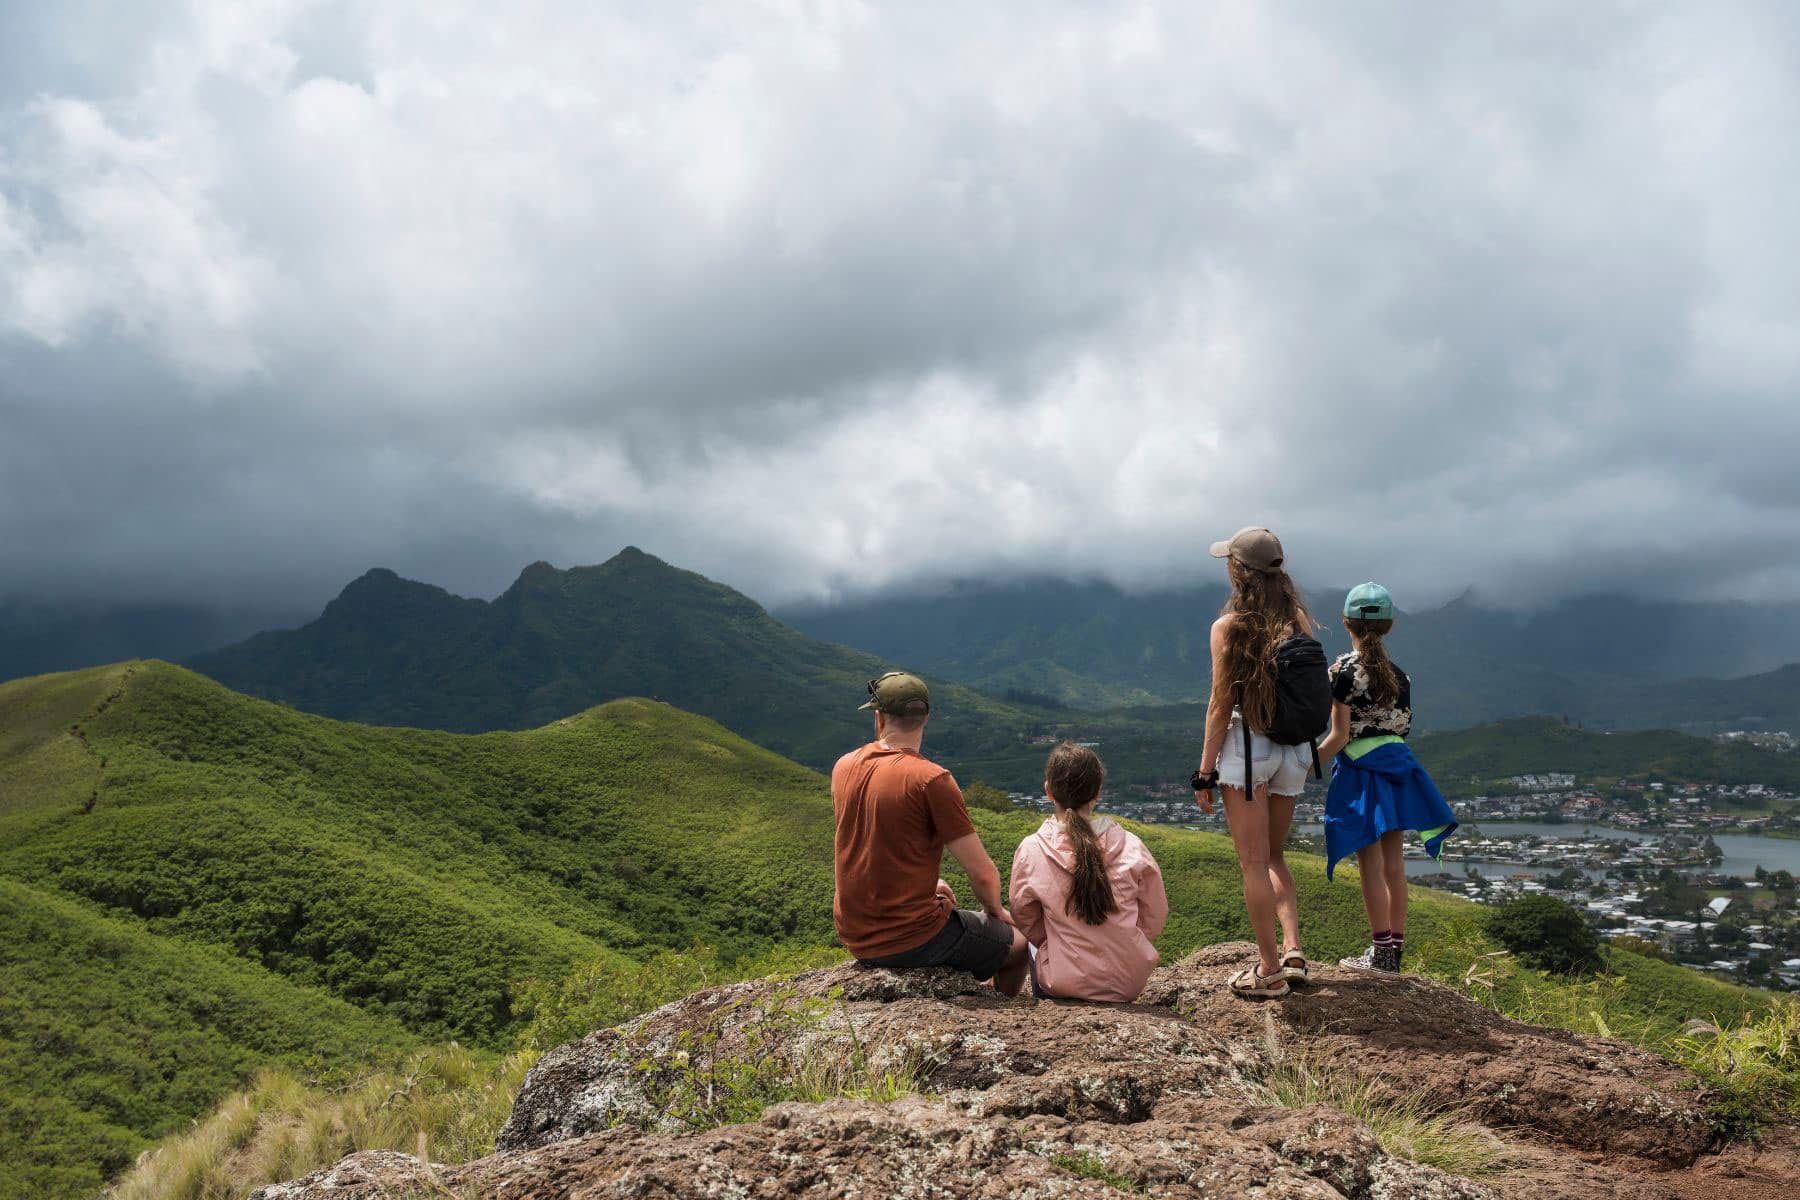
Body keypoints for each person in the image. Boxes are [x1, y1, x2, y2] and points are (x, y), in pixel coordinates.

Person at [832, 670, 1029, 995]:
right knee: (1020, 945)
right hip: (910, 938)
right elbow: (982, 873)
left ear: (879, 718)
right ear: (925, 718)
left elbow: (873, 847)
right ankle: (1001, 1012)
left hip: (854, 932)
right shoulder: (932, 780)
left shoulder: (843, 767)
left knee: (942, 890)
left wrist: (928, 888)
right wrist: (996, 914)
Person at [1191, 527, 1324, 998]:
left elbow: (1219, 704)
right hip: (1296, 752)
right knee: (1274, 856)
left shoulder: (1230, 627)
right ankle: (1293, 950)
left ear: (1237, 570)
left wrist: (1205, 771)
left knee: (1251, 862)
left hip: (1250, 752)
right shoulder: (1300, 620)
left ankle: (1267, 971)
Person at [1317, 583, 1457, 976]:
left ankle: (1378, 953)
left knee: (1369, 863)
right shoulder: (1401, 677)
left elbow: (1339, 737)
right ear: (1390, 626)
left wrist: (1303, 764)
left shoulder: (1343, 671)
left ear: (1345, 622)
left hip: (1362, 773)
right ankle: (1393, 954)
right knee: (1395, 865)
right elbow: (1400, 730)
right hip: (1399, 768)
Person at [1010, 743, 1168, 1002]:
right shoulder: (1131, 845)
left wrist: (1053, 944)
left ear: (1048, 791)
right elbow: (1155, 916)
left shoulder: (1032, 848)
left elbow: (1023, 914)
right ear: (1098, 792)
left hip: (1060, 982)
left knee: (1026, 941)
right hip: (1126, 983)